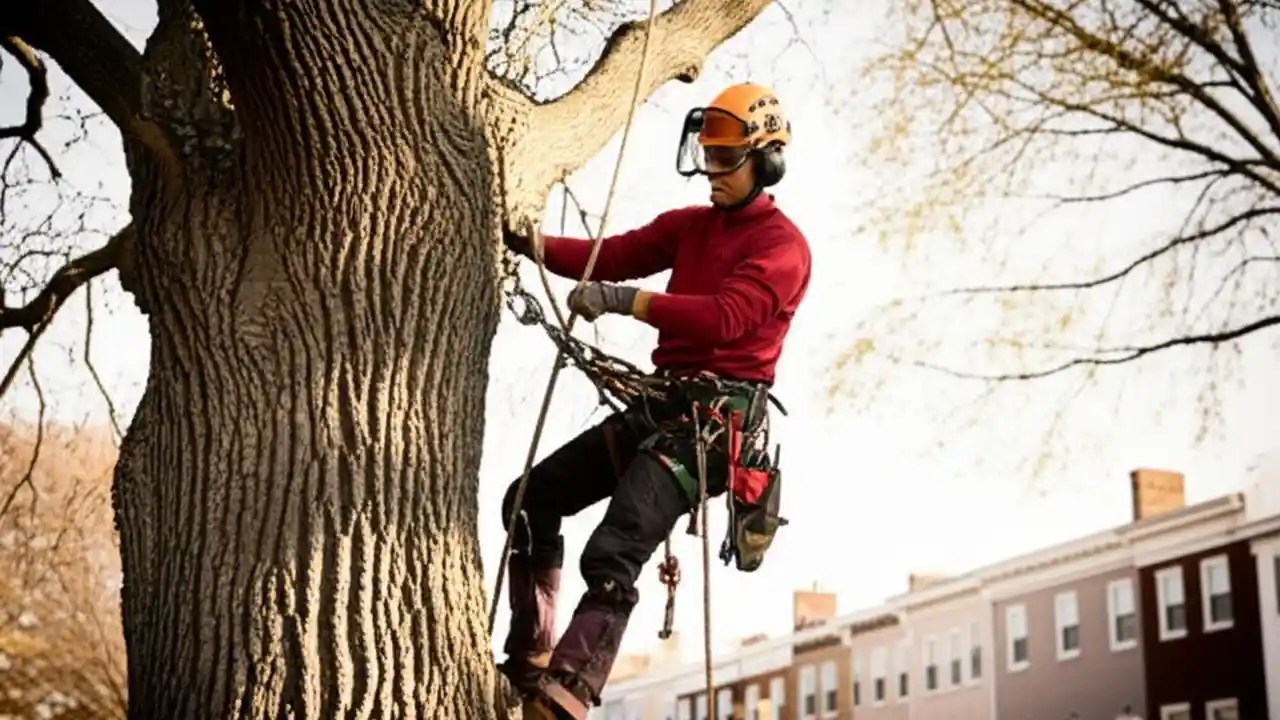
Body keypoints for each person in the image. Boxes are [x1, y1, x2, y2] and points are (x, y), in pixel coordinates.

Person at [498, 82, 812, 720]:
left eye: (726, 160)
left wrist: (624, 302)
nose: (711, 172)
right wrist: (529, 241)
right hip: (660, 408)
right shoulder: (690, 226)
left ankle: (566, 696)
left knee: (613, 552)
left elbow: (725, 318)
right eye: (706, 156)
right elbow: (610, 256)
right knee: (530, 500)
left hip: (709, 431)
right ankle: (530, 660)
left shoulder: (783, 248)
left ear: (767, 160)